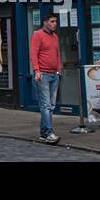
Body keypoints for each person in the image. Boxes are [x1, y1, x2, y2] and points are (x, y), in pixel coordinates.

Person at [30, 13, 62, 144]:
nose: (55, 24)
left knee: (51, 106)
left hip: (54, 74)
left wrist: (59, 70)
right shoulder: (37, 35)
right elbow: (33, 53)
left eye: (55, 21)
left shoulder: (55, 37)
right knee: (46, 105)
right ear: (45, 22)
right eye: (52, 21)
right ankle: (49, 133)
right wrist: (37, 71)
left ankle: (44, 133)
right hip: (43, 74)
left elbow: (57, 54)